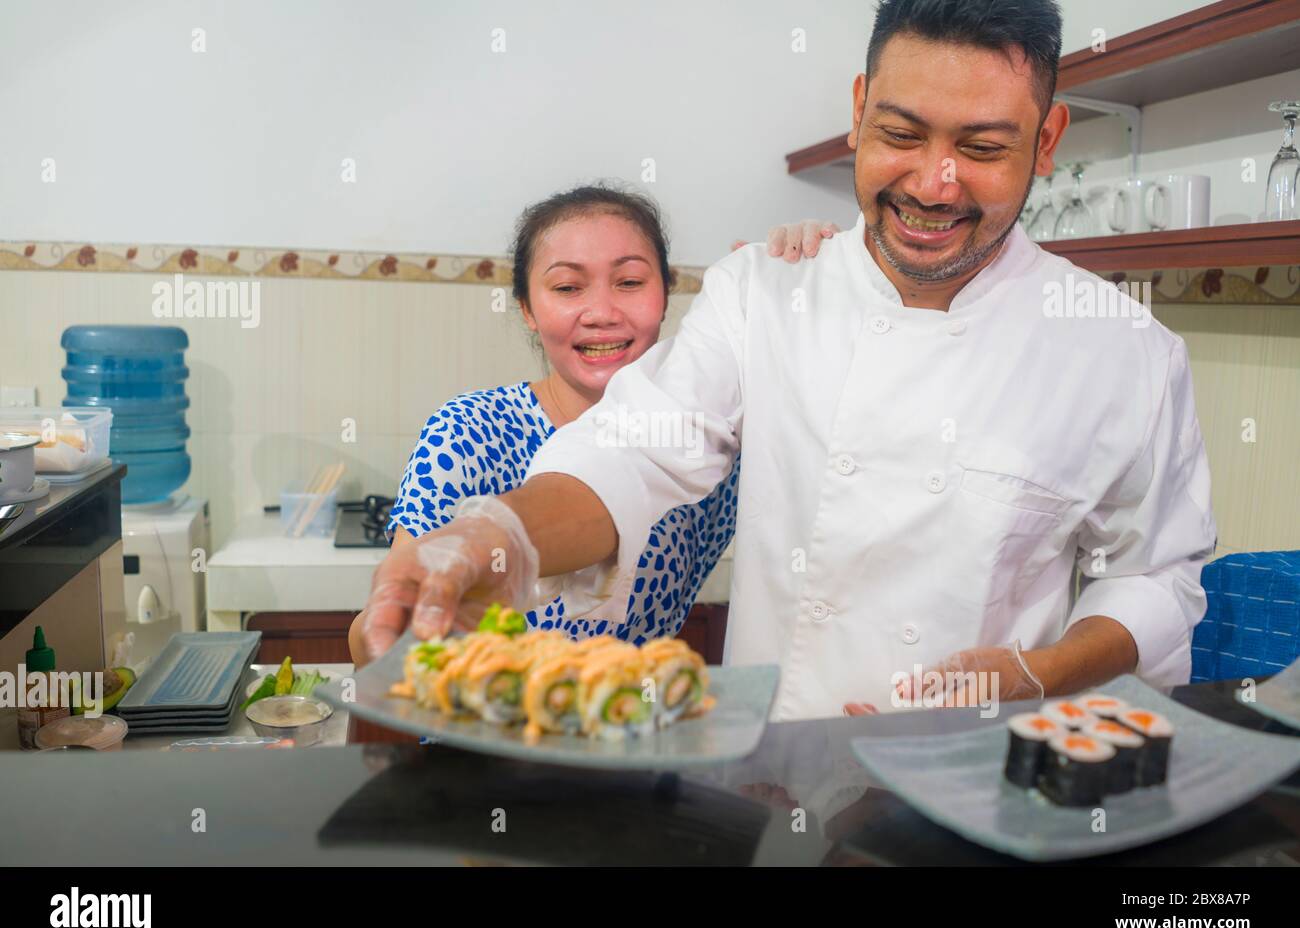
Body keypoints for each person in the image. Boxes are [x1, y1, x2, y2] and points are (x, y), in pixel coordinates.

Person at [359, 0, 1217, 721]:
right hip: (779, 776)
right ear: (857, 109)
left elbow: (1157, 579)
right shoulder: (761, 293)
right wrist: (492, 535)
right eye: (901, 133)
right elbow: (634, 450)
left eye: (984, 149)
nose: (932, 182)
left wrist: (1038, 674)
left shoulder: (1124, 350)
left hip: (984, 781)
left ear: (1049, 138)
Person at [348, 184, 836, 664]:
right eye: (566, 287)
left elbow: (832, 445)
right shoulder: (469, 432)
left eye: (629, 282)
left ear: (666, 294)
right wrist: (407, 623)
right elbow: (374, 644)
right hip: (481, 738)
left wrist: (816, 282)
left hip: (630, 732)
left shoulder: (710, 444)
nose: (602, 313)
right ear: (527, 309)